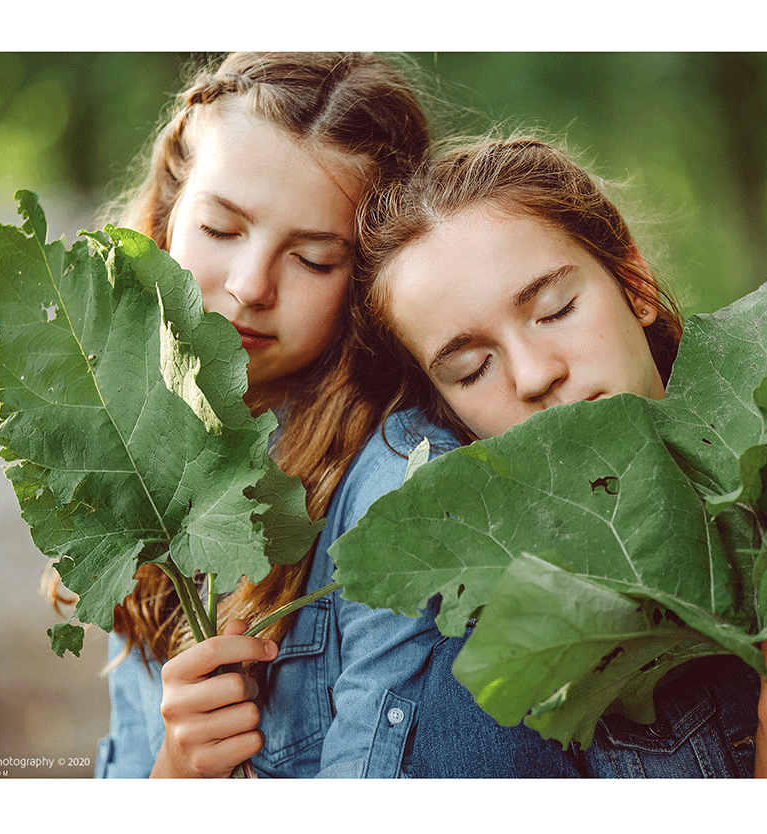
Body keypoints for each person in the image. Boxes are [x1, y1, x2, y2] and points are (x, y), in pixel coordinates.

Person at [342, 134, 767, 777]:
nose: (534, 374)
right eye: (471, 368)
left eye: (556, 309)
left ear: (635, 281)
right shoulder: (497, 678)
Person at [91, 51, 462, 778]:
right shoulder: (136, 455)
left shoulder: (402, 496)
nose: (251, 284)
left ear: (371, 282)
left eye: (316, 259)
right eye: (222, 231)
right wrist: (175, 775)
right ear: (166, 221)